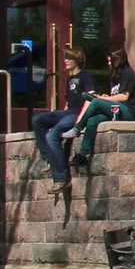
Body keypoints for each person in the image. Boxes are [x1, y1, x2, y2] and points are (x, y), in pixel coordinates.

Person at [33, 48, 97, 187]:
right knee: (37, 120)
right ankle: (50, 159)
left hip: (77, 114)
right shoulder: (70, 79)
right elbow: (69, 101)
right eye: (65, 58)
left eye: (69, 58)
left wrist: (81, 118)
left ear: (77, 60)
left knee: (52, 135)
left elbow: (91, 98)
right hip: (67, 113)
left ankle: (61, 178)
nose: (65, 61)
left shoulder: (85, 76)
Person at [71, 55, 135, 171]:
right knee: (92, 121)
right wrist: (106, 97)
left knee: (95, 102)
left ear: (118, 60)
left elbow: (124, 97)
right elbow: (115, 96)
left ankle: (77, 128)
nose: (109, 64)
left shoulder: (127, 73)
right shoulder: (115, 76)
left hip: (131, 111)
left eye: (111, 61)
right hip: (118, 108)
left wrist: (101, 99)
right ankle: (82, 155)